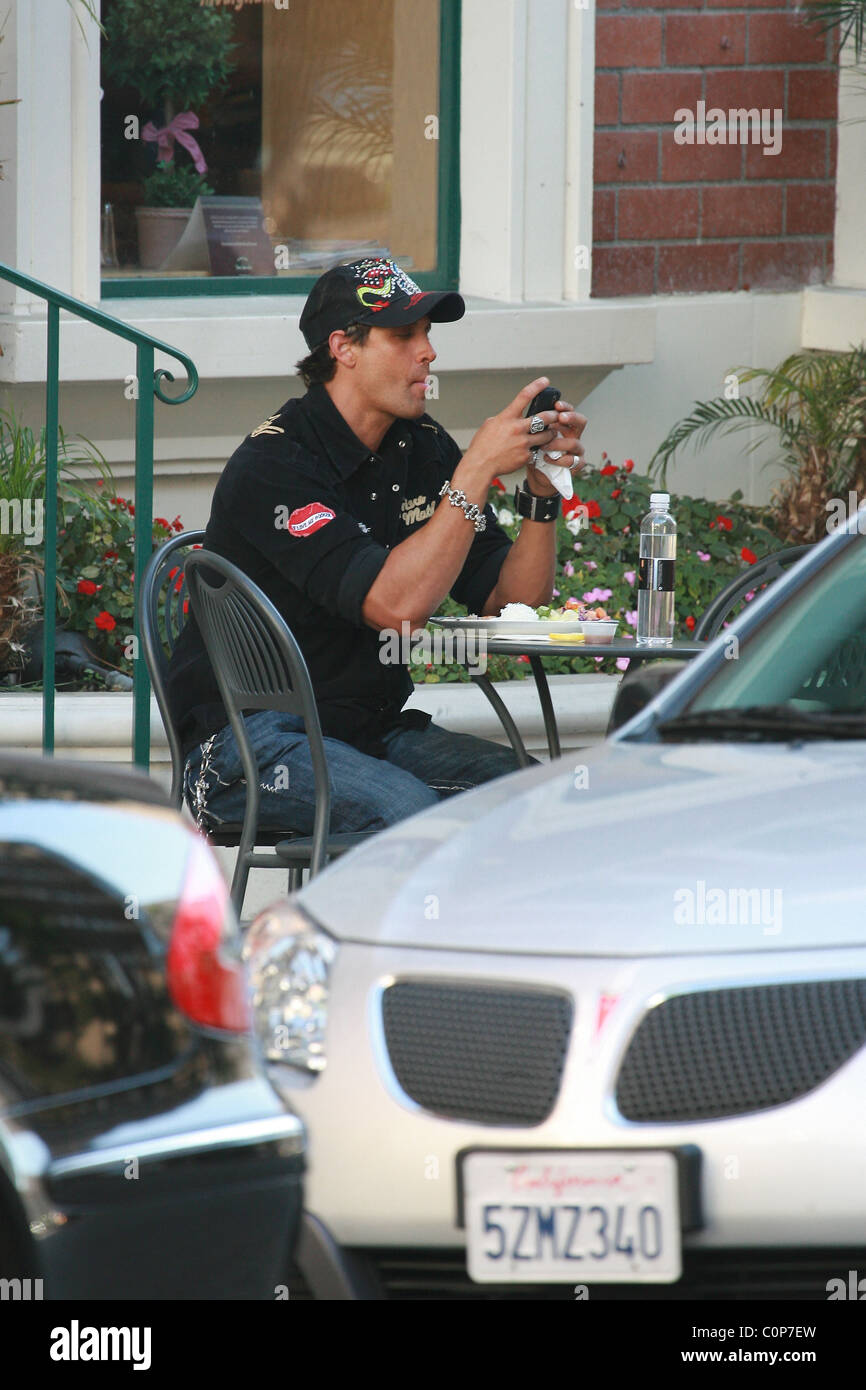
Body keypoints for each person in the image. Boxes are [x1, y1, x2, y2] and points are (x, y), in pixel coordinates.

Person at [165, 256, 586, 837]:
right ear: (344, 347)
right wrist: (476, 471)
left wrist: (541, 489)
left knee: (542, 800)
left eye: (428, 333)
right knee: (407, 815)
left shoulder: (422, 445)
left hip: (367, 733)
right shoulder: (276, 463)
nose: (429, 351)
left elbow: (513, 597)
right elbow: (395, 607)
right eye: (405, 334)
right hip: (246, 744)